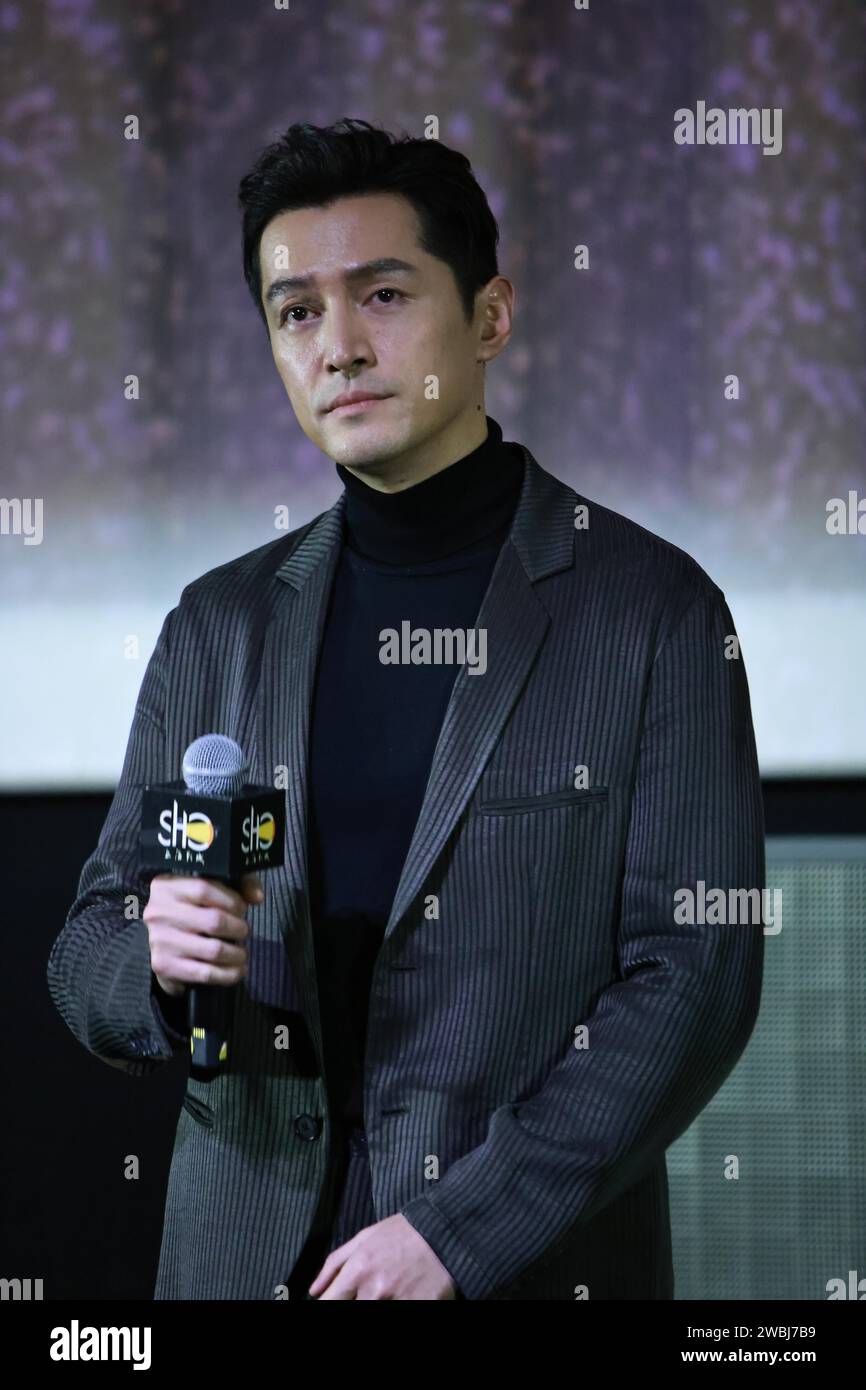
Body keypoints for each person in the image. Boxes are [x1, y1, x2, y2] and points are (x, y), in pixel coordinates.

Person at [47, 117, 764, 1301]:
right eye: (295, 312)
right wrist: (154, 966)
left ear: (488, 317)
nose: (337, 347)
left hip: (518, 1267)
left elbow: (692, 974)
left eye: (380, 294)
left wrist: (458, 1232)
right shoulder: (217, 624)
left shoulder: (652, 612)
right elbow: (87, 945)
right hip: (231, 1265)